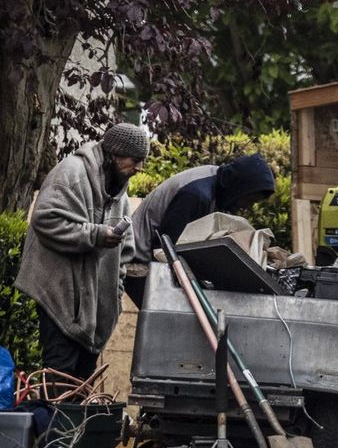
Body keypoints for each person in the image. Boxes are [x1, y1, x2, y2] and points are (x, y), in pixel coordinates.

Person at [15, 123, 148, 382]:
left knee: (83, 378)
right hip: (59, 291)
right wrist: (95, 235)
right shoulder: (72, 173)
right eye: (135, 161)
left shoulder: (117, 187)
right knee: (60, 371)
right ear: (114, 154)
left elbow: (125, 250)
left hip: (95, 303)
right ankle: (53, 422)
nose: (139, 169)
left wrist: (116, 293)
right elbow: (45, 219)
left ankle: (76, 423)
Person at [124, 154, 276, 306]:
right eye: (250, 200)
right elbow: (164, 248)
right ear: (240, 188)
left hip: (155, 259)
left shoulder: (220, 183)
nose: (248, 207)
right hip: (140, 263)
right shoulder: (197, 195)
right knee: (169, 321)